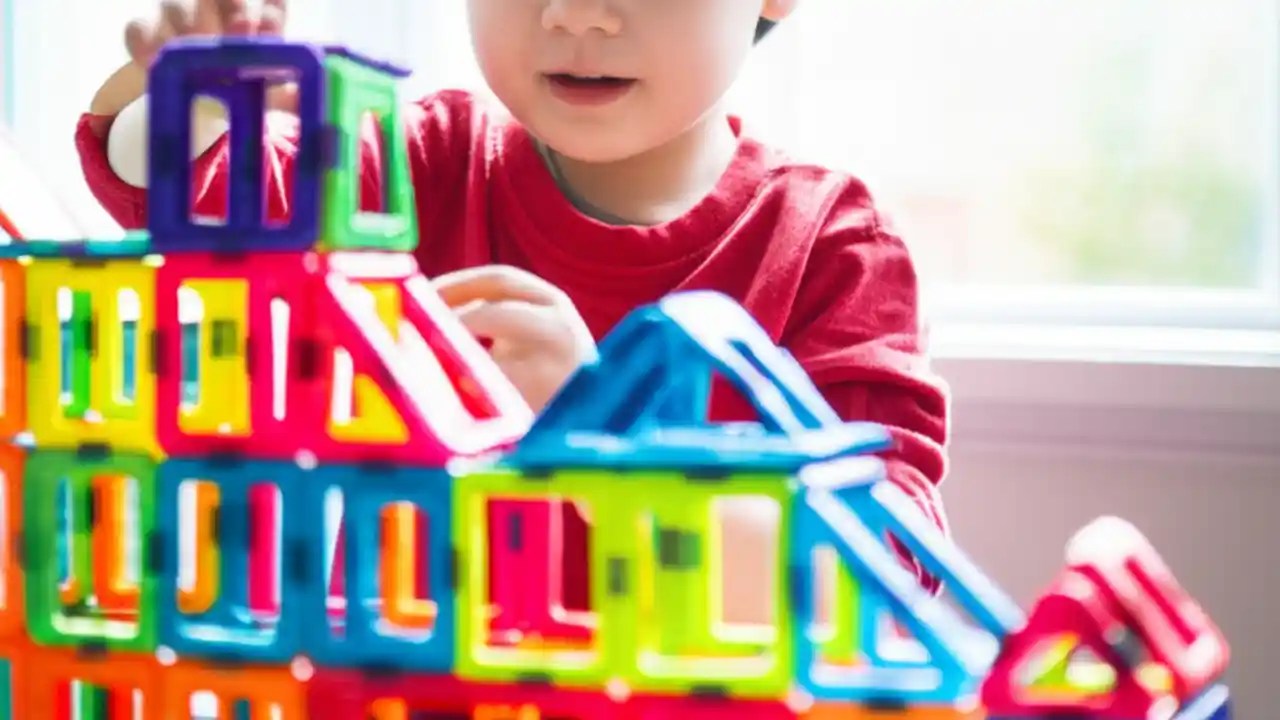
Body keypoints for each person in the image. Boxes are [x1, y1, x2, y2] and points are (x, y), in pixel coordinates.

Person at [78, 0, 950, 601]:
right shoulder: (418, 164)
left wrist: (606, 442)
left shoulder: (833, 251)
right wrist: (183, 85)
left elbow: (884, 577)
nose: (574, 13)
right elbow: (187, 194)